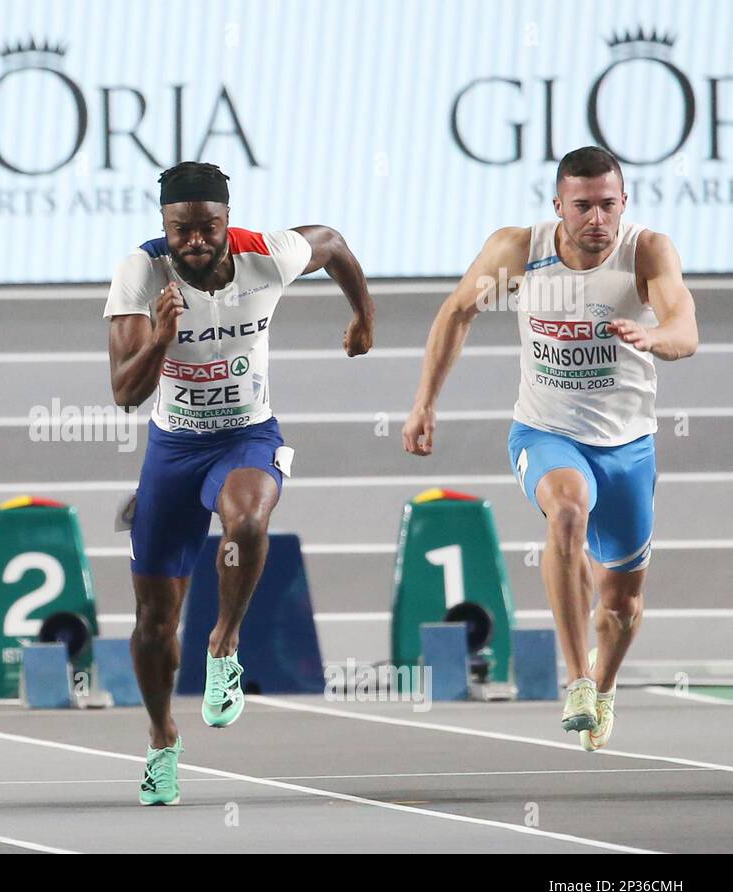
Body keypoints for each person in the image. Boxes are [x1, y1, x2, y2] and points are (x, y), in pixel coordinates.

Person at [402, 146, 698, 750]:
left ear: (625, 204)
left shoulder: (646, 251)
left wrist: (654, 335)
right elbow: (457, 312)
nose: (596, 220)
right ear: (557, 204)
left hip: (627, 446)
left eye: (608, 205)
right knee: (566, 511)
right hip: (546, 430)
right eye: (583, 206)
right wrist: (424, 402)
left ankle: (605, 685)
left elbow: (686, 327)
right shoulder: (519, 251)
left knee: (622, 605)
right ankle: (578, 679)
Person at [105, 161, 376, 804]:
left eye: (208, 228)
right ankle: (162, 739)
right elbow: (123, 394)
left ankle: (224, 644)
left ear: (228, 222)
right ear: (163, 226)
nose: (194, 243)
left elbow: (332, 242)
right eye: (180, 230)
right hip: (173, 448)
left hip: (246, 435)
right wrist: (162, 340)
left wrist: (364, 316)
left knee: (248, 519)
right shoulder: (141, 274)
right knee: (152, 622)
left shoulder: (267, 255)